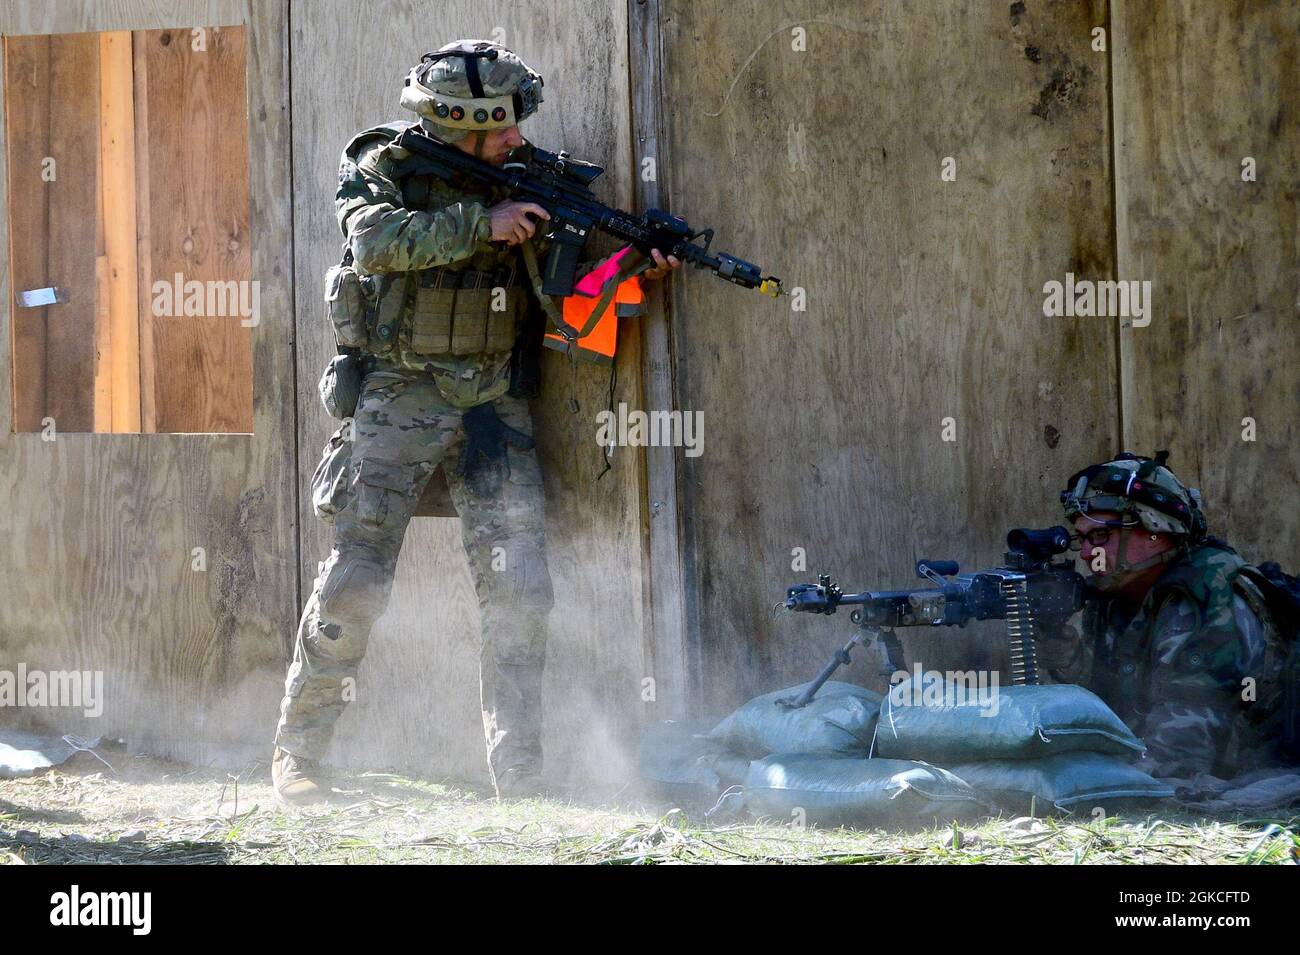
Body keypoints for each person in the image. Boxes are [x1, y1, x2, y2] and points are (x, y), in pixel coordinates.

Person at [271, 39, 679, 804]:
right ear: (459, 124)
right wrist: (479, 224)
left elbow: (569, 308)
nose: (518, 139)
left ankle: (519, 775)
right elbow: (372, 240)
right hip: (401, 393)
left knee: (520, 590)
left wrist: (632, 266)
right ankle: (297, 753)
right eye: (502, 129)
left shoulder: (527, 182)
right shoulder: (384, 165)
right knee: (357, 578)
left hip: (493, 403)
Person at [1039, 451, 1289, 782]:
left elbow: (1179, 753)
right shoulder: (1118, 597)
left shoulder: (1202, 598)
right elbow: (1119, 698)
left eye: (1100, 536)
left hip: (1260, 770)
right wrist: (1070, 660)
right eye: (1082, 539)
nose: (1087, 552)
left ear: (1156, 527)